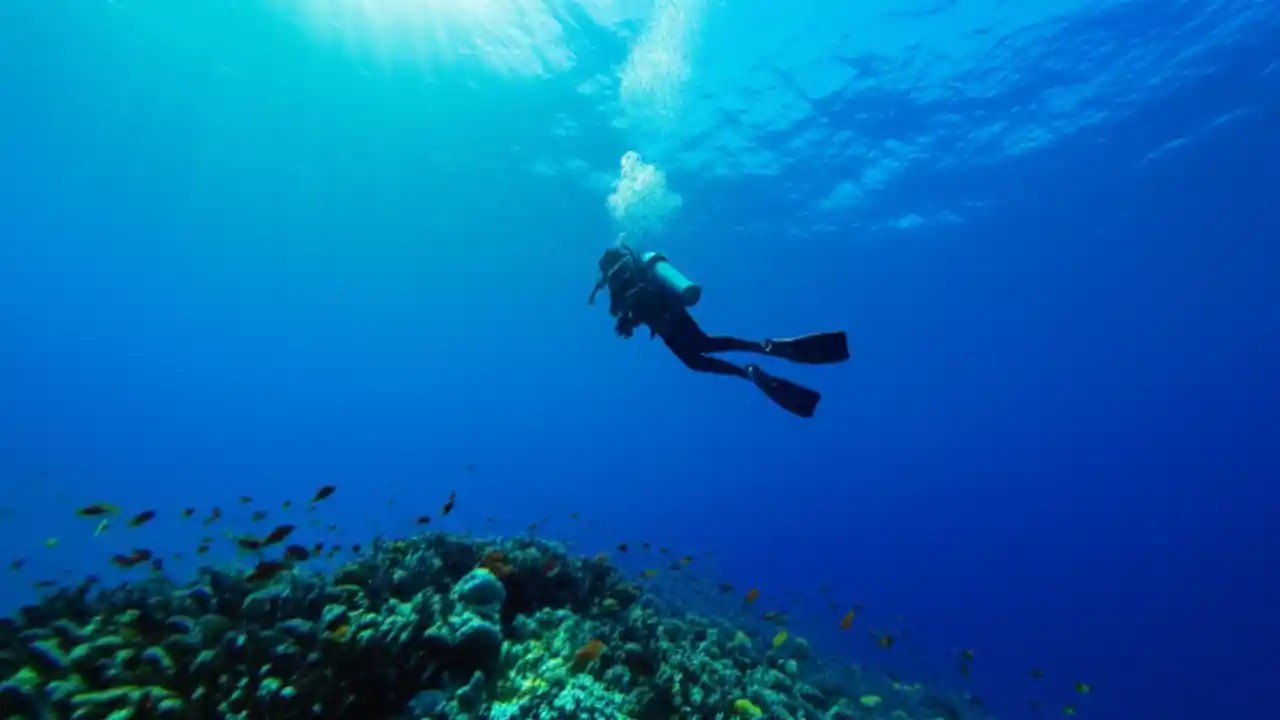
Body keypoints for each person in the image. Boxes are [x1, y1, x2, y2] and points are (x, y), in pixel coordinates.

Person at [589, 243, 849, 417]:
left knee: (700, 355)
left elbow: (629, 312)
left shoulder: (619, 282)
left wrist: (627, 321)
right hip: (673, 320)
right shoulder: (632, 272)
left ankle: (747, 369)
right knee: (704, 348)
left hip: (669, 326)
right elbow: (631, 311)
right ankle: (757, 354)